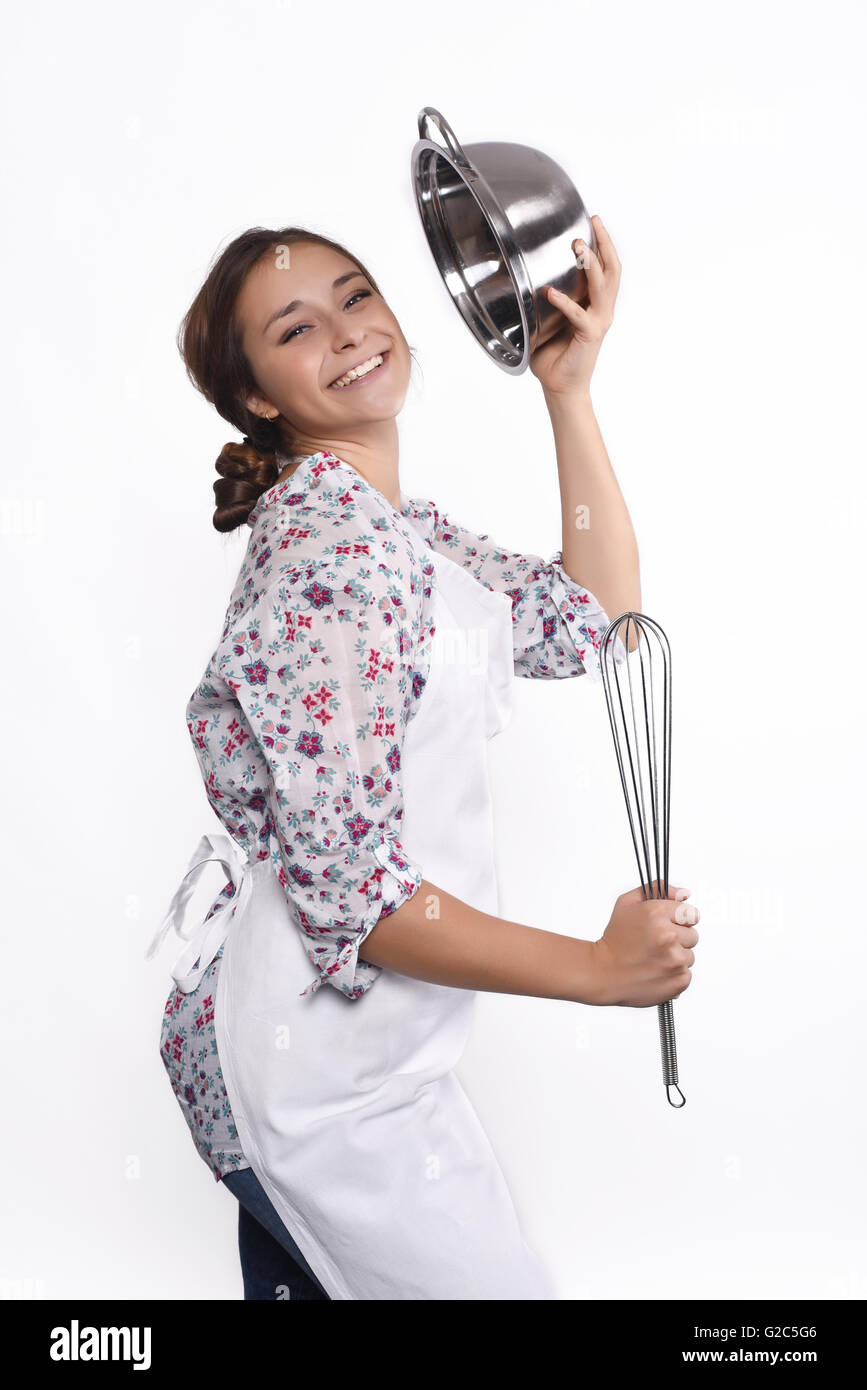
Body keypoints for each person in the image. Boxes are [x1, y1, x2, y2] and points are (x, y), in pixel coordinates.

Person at [148, 224, 701, 1301]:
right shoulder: (329, 553)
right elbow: (356, 901)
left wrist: (567, 391)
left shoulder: (396, 527)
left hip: (369, 1062)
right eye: (296, 328)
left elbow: (596, 618)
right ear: (257, 395)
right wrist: (596, 968)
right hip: (308, 1084)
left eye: (356, 296)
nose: (349, 333)